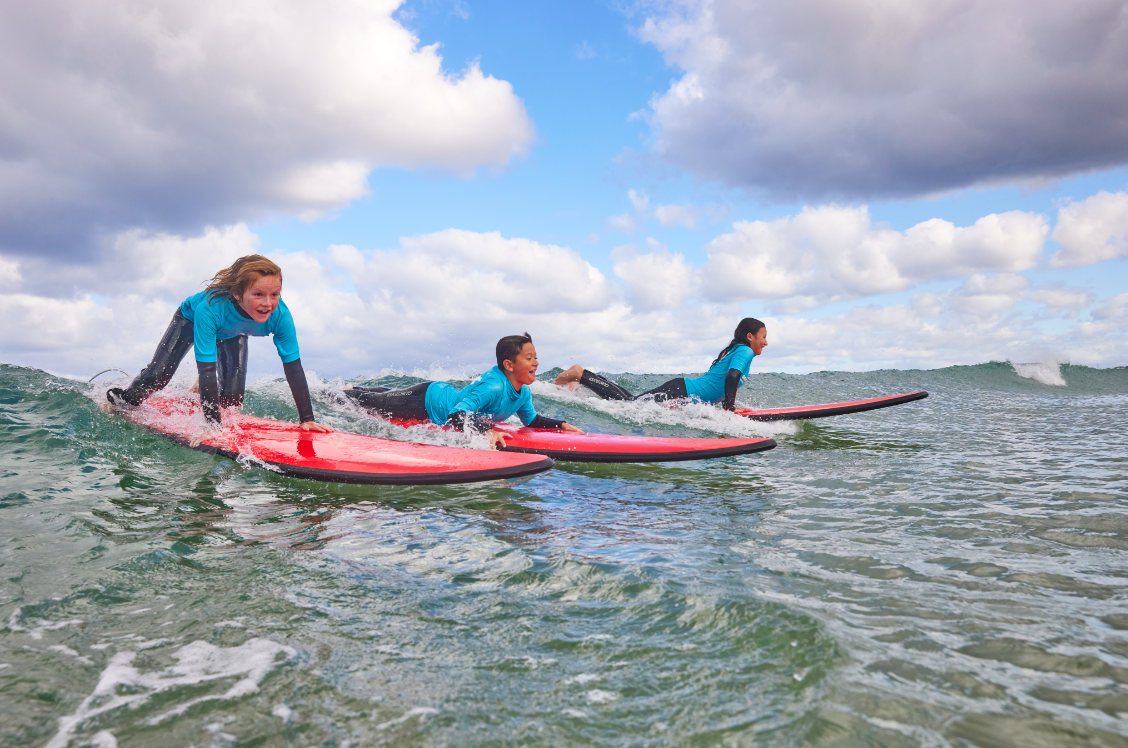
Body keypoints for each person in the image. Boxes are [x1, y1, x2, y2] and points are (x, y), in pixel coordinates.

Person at [106, 255, 333, 444]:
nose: (268, 303)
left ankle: (201, 393)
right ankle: (122, 400)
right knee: (159, 376)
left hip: (234, 333)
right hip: (191, 321)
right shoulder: (211, 308)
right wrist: (212, 427)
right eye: (258, 294)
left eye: (275, 294)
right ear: (237, 294)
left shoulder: (280, 316)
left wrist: (307, 419)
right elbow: (207, 370)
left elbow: (293, 368)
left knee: (233, 398)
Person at [345, 333, 582, 448]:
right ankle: (338, 392)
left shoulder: (523, 392)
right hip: (427, 401)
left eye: (536, 357)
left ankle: (355, 387)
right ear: (509, 365)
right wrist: (486, 433)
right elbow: (455, 416)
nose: (536, 363)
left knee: (387, 394)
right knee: (373, 402)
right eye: (529, 358)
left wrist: (559, 425)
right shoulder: (494, 386)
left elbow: (531, 420)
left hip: (436, 395)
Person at [555, 318, 768, 412]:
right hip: (684, 390)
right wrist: (729, 409)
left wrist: (725, 406)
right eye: (763, 337)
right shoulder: (746, 351)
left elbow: (719, 384)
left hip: (684, 389)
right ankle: (581, 375)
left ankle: (583, 375)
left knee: (631, 401)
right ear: (750, 336)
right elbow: (731, 378)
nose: (766, 342)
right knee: (629, 405)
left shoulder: (737, 350)